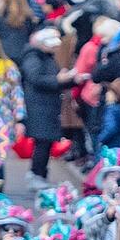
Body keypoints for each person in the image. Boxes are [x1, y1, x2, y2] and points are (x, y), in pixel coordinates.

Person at [20, 27, 79, 190]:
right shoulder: (33, 57)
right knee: (43, 142)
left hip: (47, 106)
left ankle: (40, 174)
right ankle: (36, 174)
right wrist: (59, 79)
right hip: (39, 106)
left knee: (45, 142)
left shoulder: (45, 57)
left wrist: (73, 80)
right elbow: (36, 79)